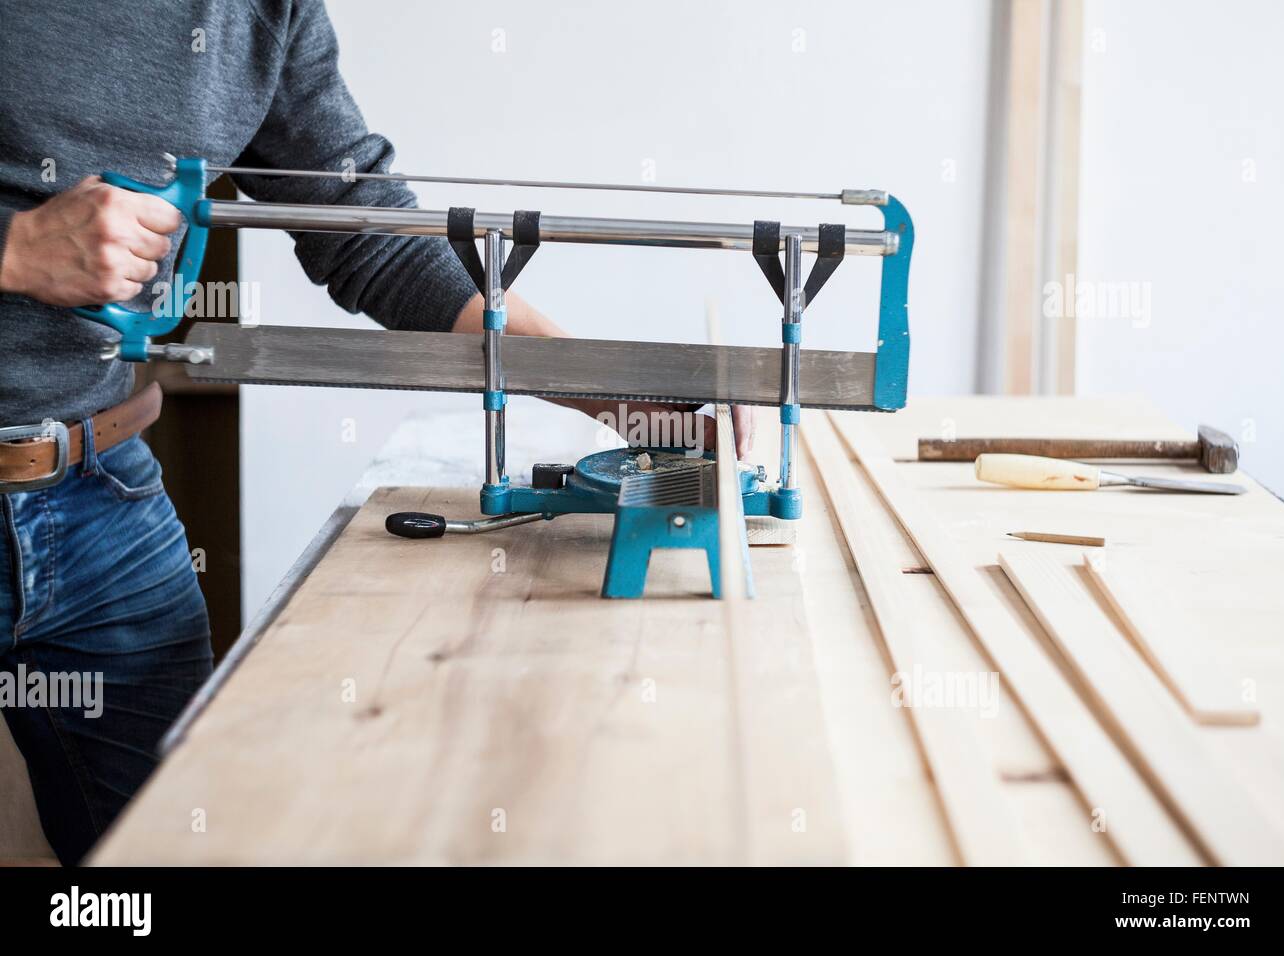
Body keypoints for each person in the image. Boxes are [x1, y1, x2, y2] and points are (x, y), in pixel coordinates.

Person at [0, 0, 749, 864]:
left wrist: (630, 400)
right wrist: (14, 249)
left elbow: (373, 241)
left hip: (102, 501)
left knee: (170, 845)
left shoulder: (260, 15)